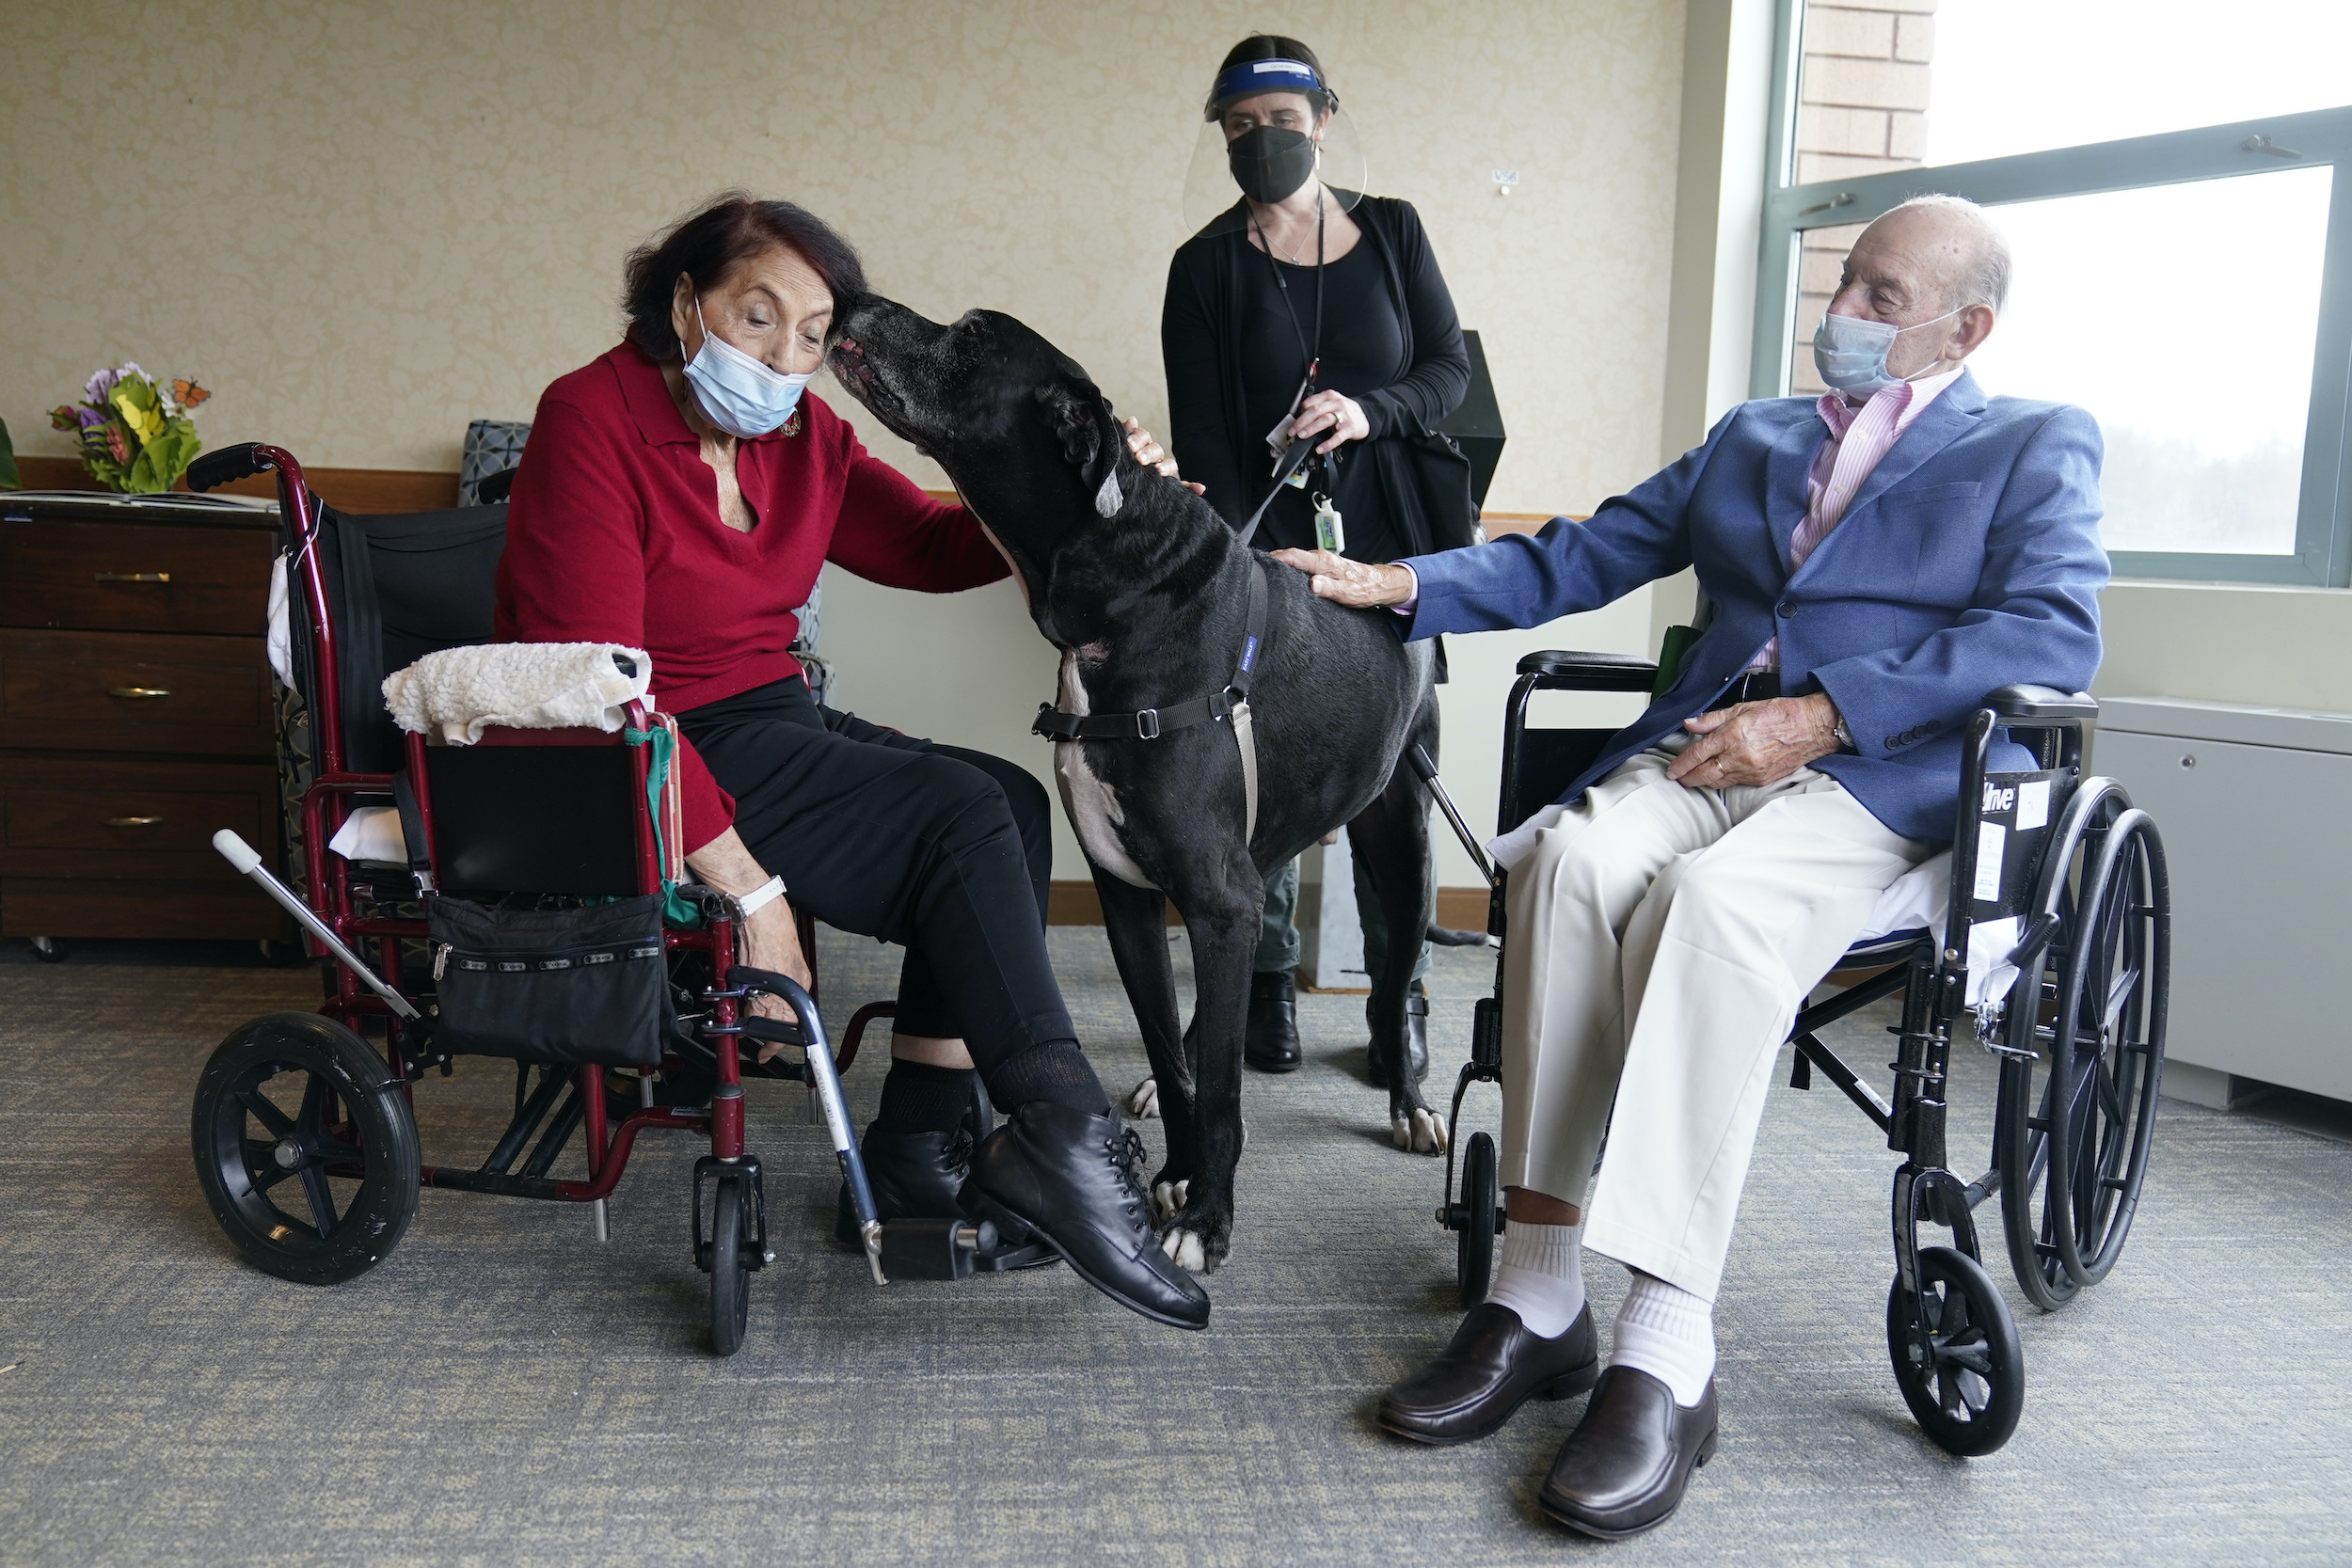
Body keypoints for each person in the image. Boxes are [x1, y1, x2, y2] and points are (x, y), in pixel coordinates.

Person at [1274, 196, 2106, 1535]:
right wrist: (1398, 583)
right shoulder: (1759, 434)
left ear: (1970, 326)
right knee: (1567, 867)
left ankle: (1670, 1340)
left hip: (1880, 772)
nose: (1841, 312)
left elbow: (2054, 634)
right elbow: (1587, 552)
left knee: (1713, 908)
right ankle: (1540, 1293)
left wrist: (1823, 713)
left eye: (1881, 299)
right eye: (1846, 281)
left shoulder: (2032, 444)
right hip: (1715, 749)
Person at [496, 192, 1209, 1331]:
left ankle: (920, 1152)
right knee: (955, 817)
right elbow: (599, 690)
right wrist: (753, 893)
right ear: (687, 302)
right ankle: (1066, 1134)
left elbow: (928, 544)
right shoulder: (591, 418)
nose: (783, 355)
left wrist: (1073, 489)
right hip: (651, 744)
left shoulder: (804, 438)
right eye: (756, 315)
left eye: (813, 334)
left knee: (1008, 802)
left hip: (769, 714)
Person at [1162, 34, 1470, 1082]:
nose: (1263, 145)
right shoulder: (1204, 265)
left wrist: (1365, 409)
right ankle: (1263, 982)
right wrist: (1263, 562)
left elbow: (1447, 373)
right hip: (1271, 552)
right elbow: (1200, 436)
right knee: (1267, 772)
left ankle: (1399, 998)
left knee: (1399, 782)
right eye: (1240, 130)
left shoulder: (1392, 233)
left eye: (1282, 126)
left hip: (1390, 548)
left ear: (1323, 121)